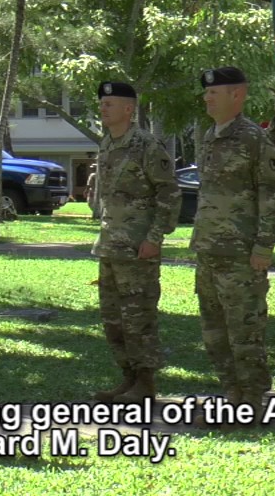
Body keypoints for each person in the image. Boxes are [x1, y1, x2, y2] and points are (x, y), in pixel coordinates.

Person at [190, 66, 275, 412]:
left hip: (242, 254)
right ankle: (232, 394)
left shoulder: (253, 139)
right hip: (209, 249)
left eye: (215, 92)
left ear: (237, 94)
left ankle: (253, 399)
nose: (207, 97)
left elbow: (273, 195)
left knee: (245, 331)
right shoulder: (208, 135)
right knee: (214, 332)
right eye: (206, 92)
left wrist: (264, 245)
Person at [90, 81, 180, 403]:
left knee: (138, 318)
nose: (103, 108)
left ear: (129, 109)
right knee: (113, 319)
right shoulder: (107, 144)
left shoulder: (146, 146)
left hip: (138, 248)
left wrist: (155, 238)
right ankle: (128, 379)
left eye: (110, 103)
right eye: (102, 103)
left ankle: (146, 383)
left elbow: (169, 193)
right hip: (111, 246)